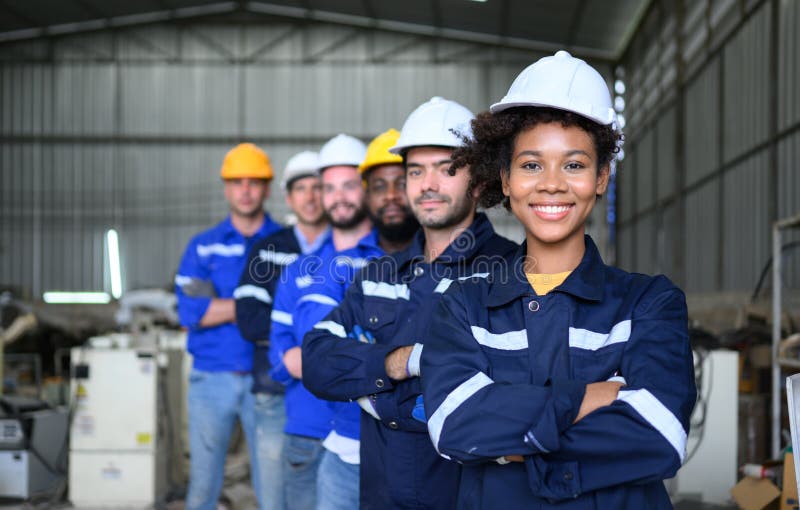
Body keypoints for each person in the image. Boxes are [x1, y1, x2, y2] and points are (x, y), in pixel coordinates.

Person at [420, 51, 697, 509]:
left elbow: (661, 434)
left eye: (574, 164)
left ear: (602, 176)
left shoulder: (649, 303)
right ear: (505, 179)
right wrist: (586, 398)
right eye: (531, 165)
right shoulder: (464, 304)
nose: (552, 183)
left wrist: (512, 444)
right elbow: (454, 428)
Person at [302, 97, 518, 509]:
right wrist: (396, 362)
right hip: (380, 492)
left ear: (477, 181)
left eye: (447, 168)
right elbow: (315, 359)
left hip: (464, 495)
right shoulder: (379, 274)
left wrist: (373, 393)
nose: (428, 184)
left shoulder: (508, 270)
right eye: (415, 171)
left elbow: (501, 391)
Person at [268, 134, 382, 510]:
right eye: (329, 188)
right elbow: (279, 356)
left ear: (366, 188)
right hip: (307, 433)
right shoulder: (300, 270)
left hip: (373, 438)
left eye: (349, 185)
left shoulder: (392, 262)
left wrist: (323, 357)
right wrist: (355, 357)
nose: (338, 197)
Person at [175, 143, 282, 510]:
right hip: (211, 379)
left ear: (267, 188)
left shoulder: (283, 245)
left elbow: (289, 309)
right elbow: (193, 313)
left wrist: (224, 305)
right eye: (238, 182)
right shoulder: (203, 247)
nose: (246, 189)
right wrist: (253, 304)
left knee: (274, 490)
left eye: (255, 181)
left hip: (268, 380)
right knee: (203, 488)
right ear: (226, 188)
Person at [234, 150, 329, 510]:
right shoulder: (268, 250)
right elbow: (248, 318)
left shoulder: (343, 248)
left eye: (317, 187)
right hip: (274, 392)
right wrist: (315, 344)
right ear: (289, 198)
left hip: (329, 399)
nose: (310, 196)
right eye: (301, 189)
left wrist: (291, 333)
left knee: (325, 495)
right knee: (274, 497)